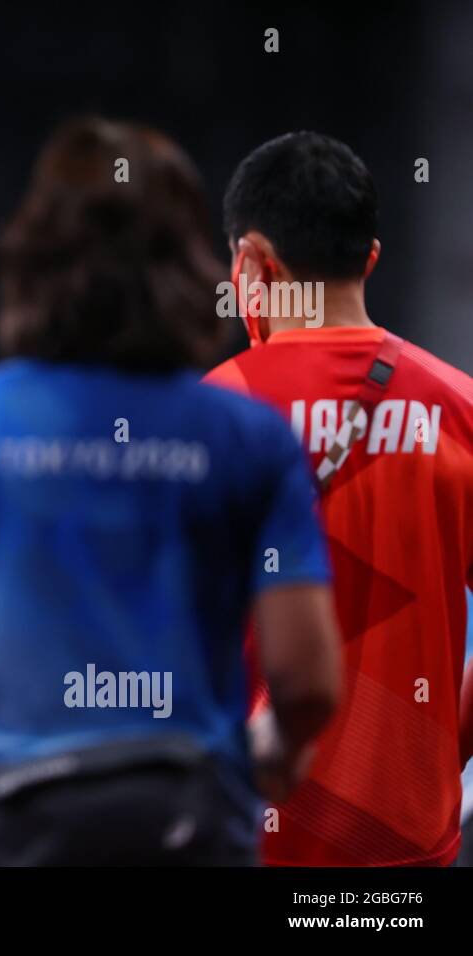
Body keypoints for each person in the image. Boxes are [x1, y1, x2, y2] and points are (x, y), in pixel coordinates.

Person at [0, 118, 342, 866]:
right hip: (190, 825)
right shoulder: (251, 438)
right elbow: (307, 684)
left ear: (35, 262)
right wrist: (269, 755)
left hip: (5, 829)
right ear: (186, 262)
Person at [206, 131, 473, 866]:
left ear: (253, 262)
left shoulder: (209, 416)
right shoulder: (461, 409)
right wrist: (441, 753)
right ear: (371, 259)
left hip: (246, 840)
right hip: (407, 849)